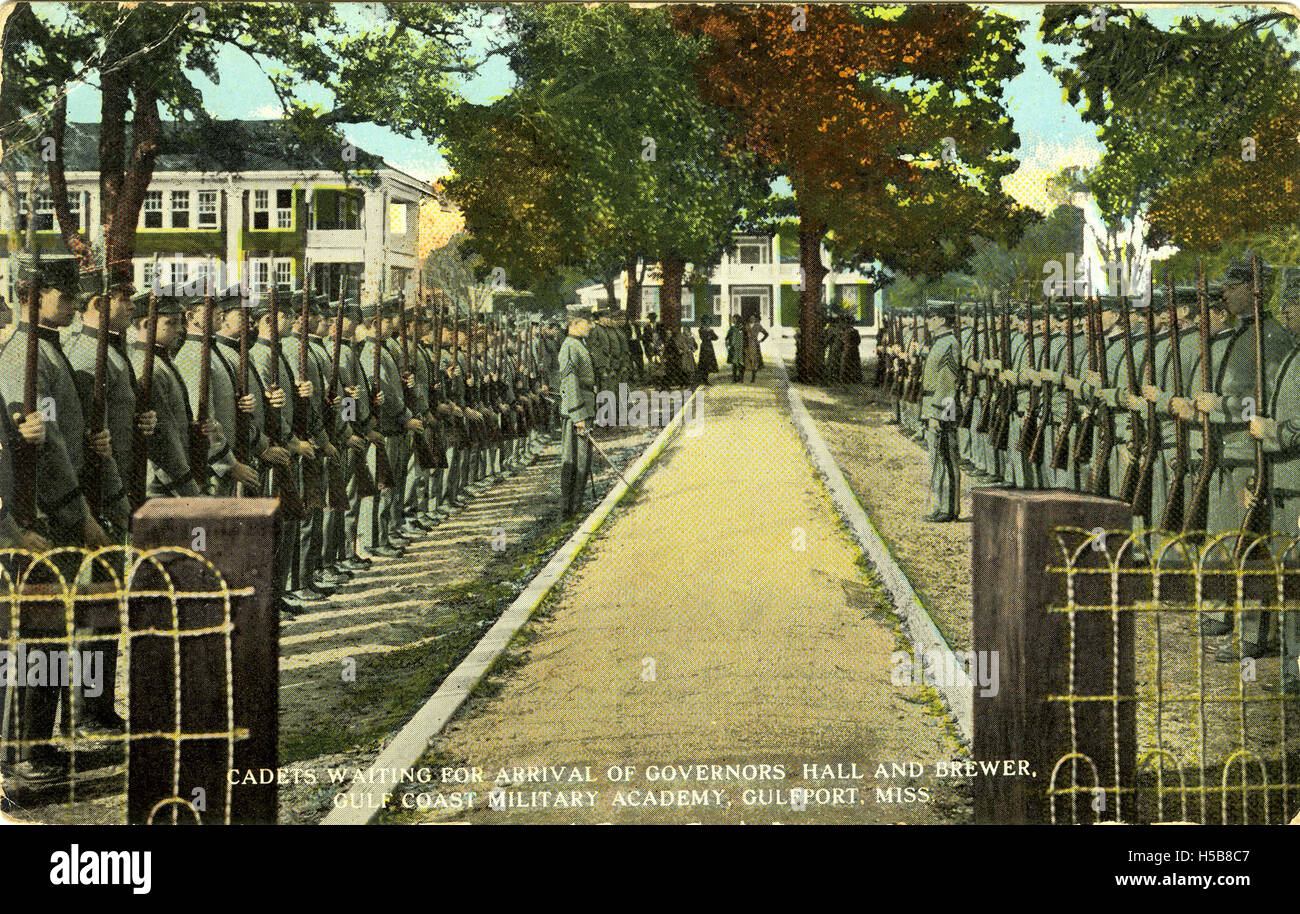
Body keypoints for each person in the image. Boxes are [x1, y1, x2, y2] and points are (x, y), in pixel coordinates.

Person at [921, 304, 961, 521]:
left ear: (942, 320)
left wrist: (937, 413)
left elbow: (947, 382)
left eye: (932, 318)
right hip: (935, 406)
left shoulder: (948, 344)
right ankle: (941, 505)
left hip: (943, 407)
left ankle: (949, 508)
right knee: (937, 457)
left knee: (946, 457)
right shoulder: (940, 343)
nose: (929, 322)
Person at [557, 317, 596, 517]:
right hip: (576, 412)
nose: (589, 326)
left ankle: (577, 505)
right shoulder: (569, 346)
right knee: (573, 460)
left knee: (583, 460)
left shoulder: (578, 344)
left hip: (584, 407)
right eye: (585, 323)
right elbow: (570, 382)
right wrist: (578, 415)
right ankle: (568, 508)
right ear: (573, 325)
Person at [743, 313, 768, 383]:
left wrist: (761, 340)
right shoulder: (746, 326)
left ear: (755, 319)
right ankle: (742, 378)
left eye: (753, 318)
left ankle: (753, 377)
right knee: (746, 361)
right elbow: (743, 335)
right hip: (747, 345)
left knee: (754, 361)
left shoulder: (758, 326)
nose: (752, 319)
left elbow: (766, 334)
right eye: (750, 318)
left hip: (754, 345)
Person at [725, 313, 744, 383]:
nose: (733, 320)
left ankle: (741, 378)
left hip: (741, 348)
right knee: (734, 363)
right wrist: (728, 346)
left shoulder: (742, 328)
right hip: (734, 348)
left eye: (735, 319)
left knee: (741, 363)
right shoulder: (732, 328)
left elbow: (746, 338)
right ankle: (734, 378)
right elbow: (727, 338)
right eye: (733, 319)